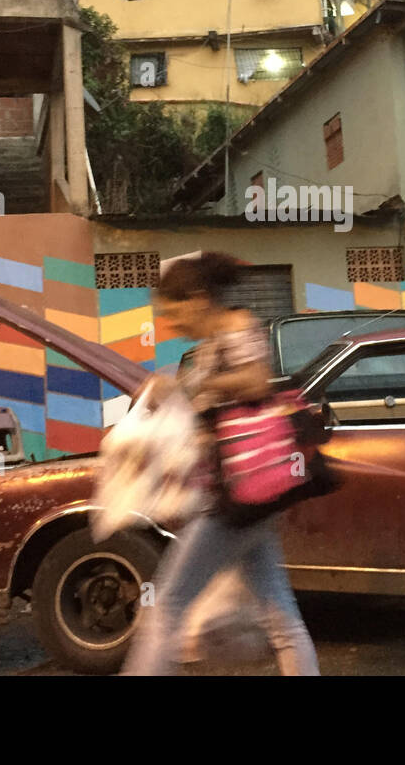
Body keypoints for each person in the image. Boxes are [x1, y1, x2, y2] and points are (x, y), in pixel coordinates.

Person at [121, 252, 320, 676]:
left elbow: (256, 382)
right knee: (281, 616)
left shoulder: (236, 327)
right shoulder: (209, 346)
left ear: (196, 298)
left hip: (240, 491)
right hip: (244, 492)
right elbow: (211, 418)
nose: (171, 324)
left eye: (172, 313)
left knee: (167, 606)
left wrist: (190, 383)